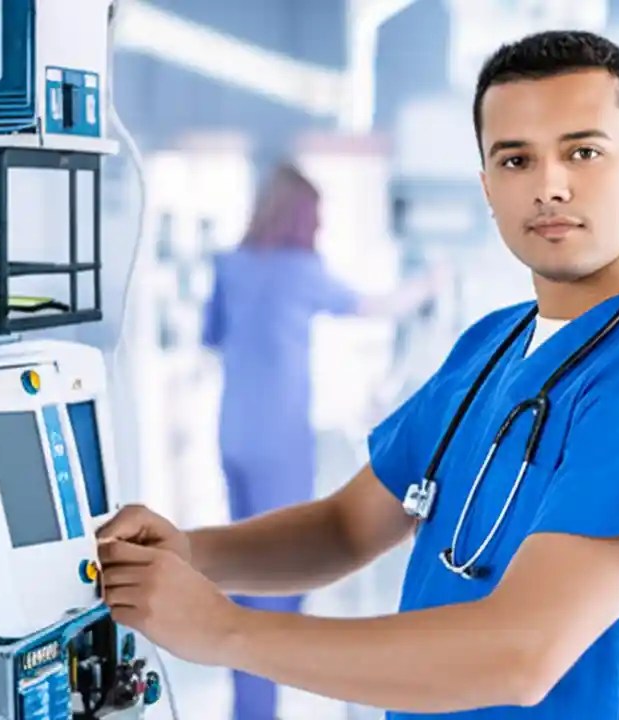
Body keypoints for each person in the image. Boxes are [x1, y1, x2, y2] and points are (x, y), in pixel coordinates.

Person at [98, 30, 619, 719]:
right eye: (516, 159)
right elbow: (347, 528)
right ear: (488, 187)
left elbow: (519, 655)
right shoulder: (493, 346)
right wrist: (190, 553)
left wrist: (227, 631)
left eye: (583, 151)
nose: (550, 185)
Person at [200, 162, 438, 720]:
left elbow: (211, 337)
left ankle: (246, 707)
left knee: (240, 566)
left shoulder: (231, 266)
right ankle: (257, 711)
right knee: (283, 572)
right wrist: (430, 283)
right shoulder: (299, 271)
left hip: (232, 433)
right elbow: (372, 307)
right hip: (280, 437)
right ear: (300, 217)